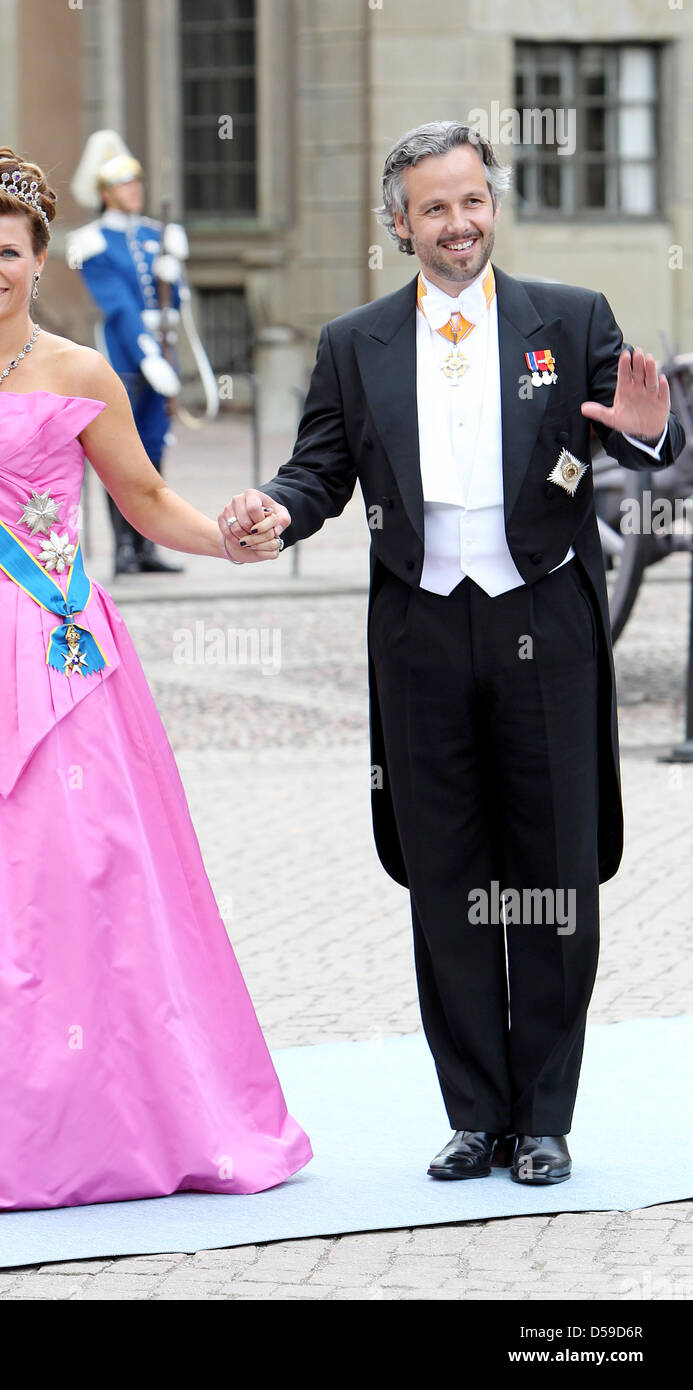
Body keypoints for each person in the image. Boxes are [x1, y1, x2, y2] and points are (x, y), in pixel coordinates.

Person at [0, 145, 309, 1216]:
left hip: (57, 662)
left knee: (85, 888)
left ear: (40, 260)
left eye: (8, 251)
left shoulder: (83, 372)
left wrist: (226, 542)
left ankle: (110, 1119)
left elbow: (142, 500)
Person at [220, 121, 685, 1187]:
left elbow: (641, 433)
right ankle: (476, 1114)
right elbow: (317, 472)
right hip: (422, 632)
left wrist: (657, 432)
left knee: (555, 874)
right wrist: (272, 514)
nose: (459, 222)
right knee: (447, 878)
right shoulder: (354, 342)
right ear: (400, 224)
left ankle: (547, 1117)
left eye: (473, 201)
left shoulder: (569, 321)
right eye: (435, 207)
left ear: (494, 204)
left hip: (547, 627)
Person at [67, 130, 186, 576]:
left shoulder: (157, 235)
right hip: (123, 360)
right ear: (104, 193)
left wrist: (175, 276)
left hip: (161, 355)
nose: (134, 191)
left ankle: (147, 545)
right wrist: (146, 355)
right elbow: (117, 305)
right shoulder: (91, 243)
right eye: (123, 185)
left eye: (136, 183)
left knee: (154, 445)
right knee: (119, 453)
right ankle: (121, 547)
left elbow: (175, 302)